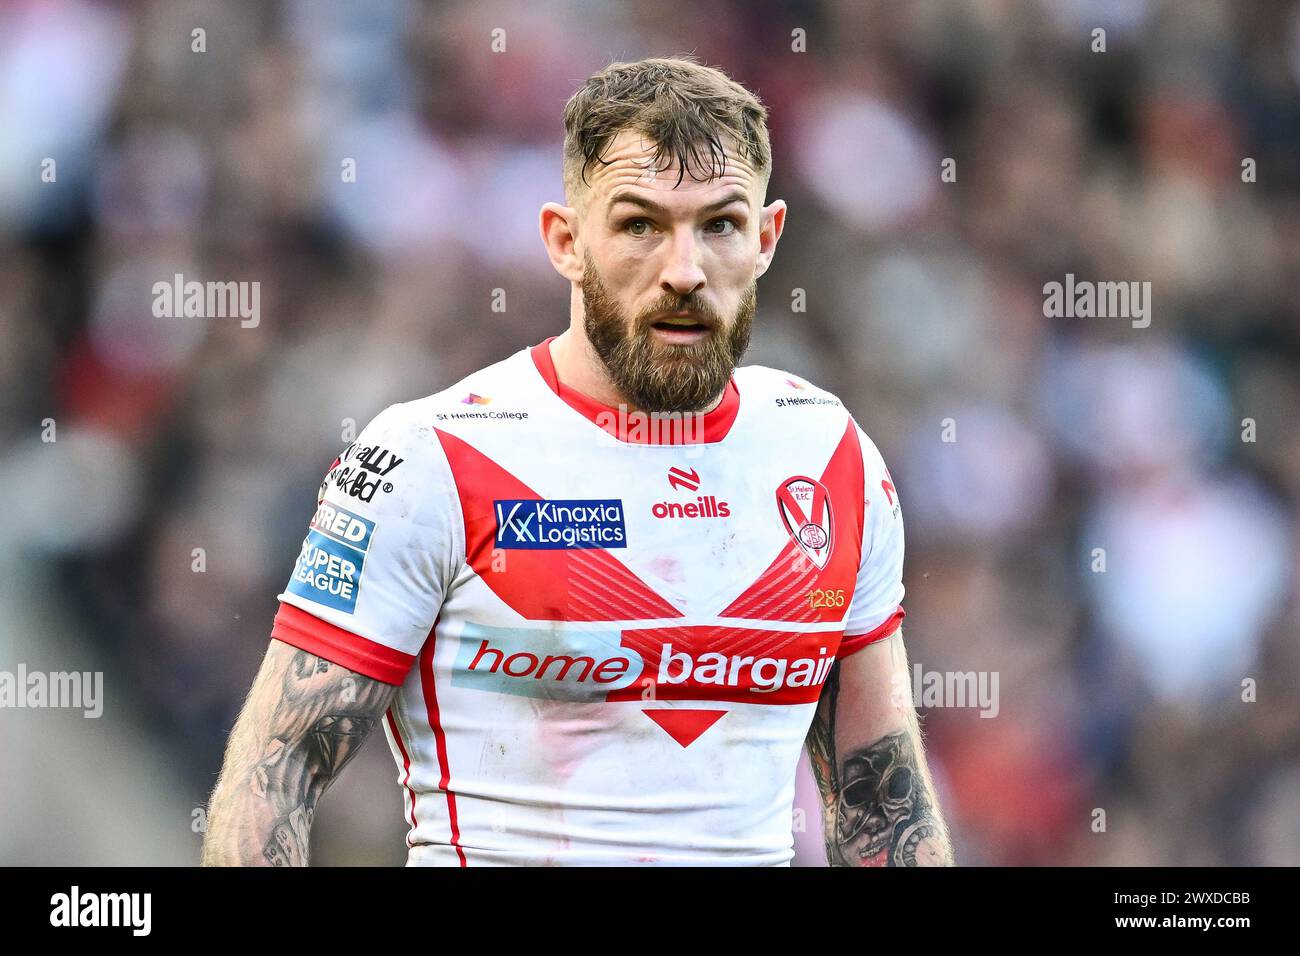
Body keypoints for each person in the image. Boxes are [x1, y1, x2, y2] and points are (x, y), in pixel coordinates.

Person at [202, 55, 953, 867]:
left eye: (720, 225)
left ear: (766, 239)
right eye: (639, 225)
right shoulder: (436, 457)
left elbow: (882, 798)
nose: (684, 272)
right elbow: (275, 772)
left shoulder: (829, 454)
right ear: (565, 241)